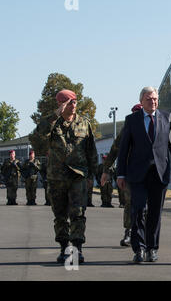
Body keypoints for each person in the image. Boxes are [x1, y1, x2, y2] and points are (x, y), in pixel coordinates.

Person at [116, 86, 171, 264]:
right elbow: (124, 150)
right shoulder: (132, 120)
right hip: (137, 174)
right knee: (138, 210)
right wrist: (120, 174)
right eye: (148, 99)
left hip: (159, 174)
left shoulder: (167, 118)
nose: (152, 101)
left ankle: (152, 248)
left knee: (155, 212)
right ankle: (139, 249)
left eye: (154, 98)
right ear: (141, 101)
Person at [32, 89, 98, 264]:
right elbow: (39, 134)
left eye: (75, 101)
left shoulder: (84, 123)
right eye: (69, 102)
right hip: (57, 177)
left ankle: (77, 249)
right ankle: (63, 248)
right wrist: (56, 114)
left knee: (78, 213)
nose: (73, 105)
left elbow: (91, 150)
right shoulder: (53, 124)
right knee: (60, 214)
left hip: (78, 176)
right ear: (61, 104)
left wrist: (93, 174)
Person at [101, 103, 142, 246]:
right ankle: (129, 232)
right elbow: (114, 150)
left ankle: (145, 234)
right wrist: (106, 170)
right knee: (129, 203)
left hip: (148, 173)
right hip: (130, 172)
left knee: (147, 205)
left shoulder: (152, 128)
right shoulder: (126, 131)